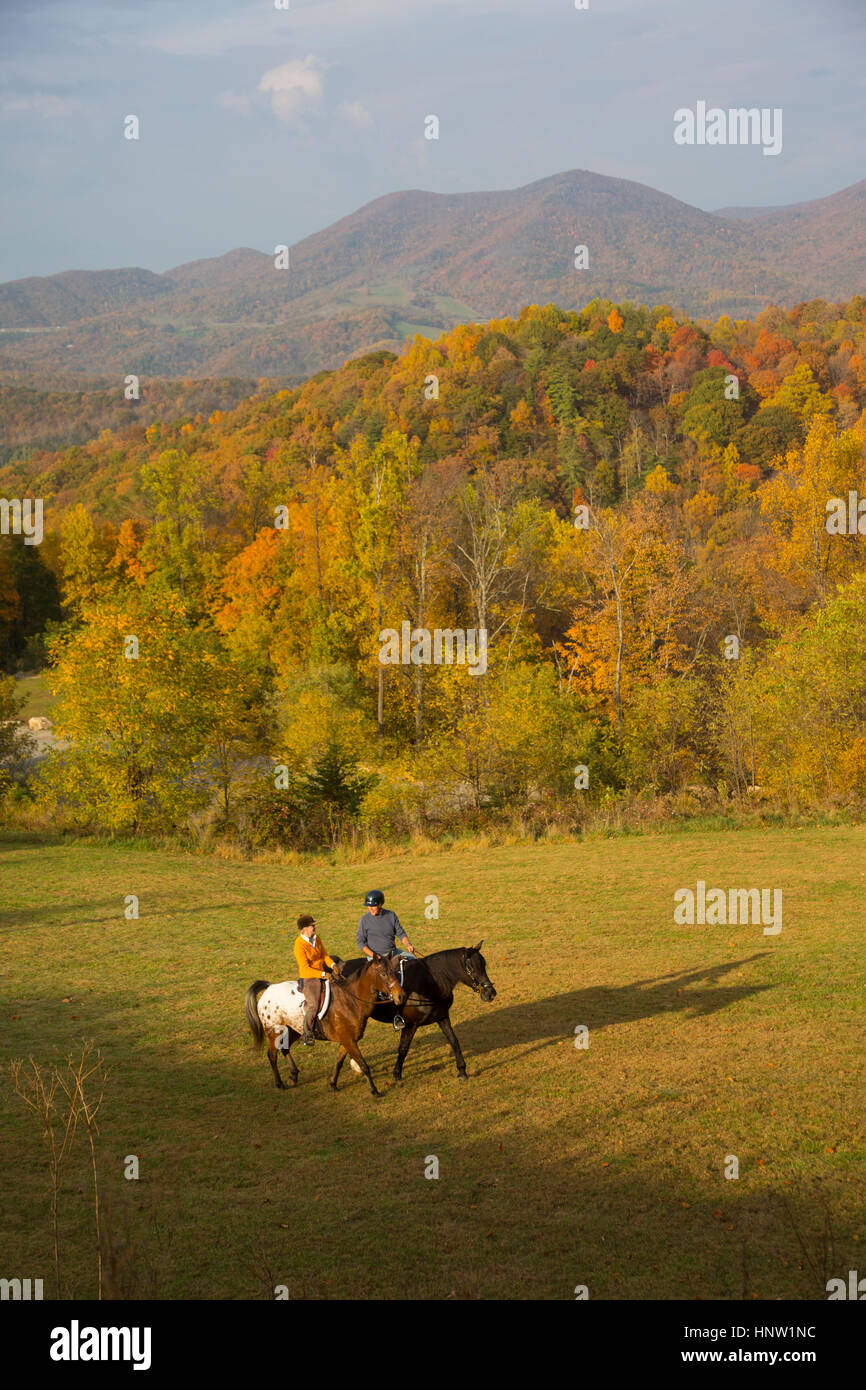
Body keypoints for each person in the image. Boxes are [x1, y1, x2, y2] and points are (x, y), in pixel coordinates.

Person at [357, 889, 418, 1030]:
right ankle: (396, 1016)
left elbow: (400, 932)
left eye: (372, 906)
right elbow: (361, 942)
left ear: (380, 905)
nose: (370, 908)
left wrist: (408, 945)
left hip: (392, 953)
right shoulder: (364, 920)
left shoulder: (391, 915)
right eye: (368, 906)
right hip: (375, 958)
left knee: (415, 961)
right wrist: (374, 956)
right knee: (390, 983)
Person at [293, 913, 340, 1047]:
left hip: (323, 971)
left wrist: (333, 965)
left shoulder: (316, 938)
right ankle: (306, 1034)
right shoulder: (299, 945)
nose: (314, 927)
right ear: (305, 928)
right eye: (312, 926)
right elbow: (305, 968)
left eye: (314, 925)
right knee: (313, 1005)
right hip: (309, 978)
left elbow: (324, 955)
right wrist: (324, 974)